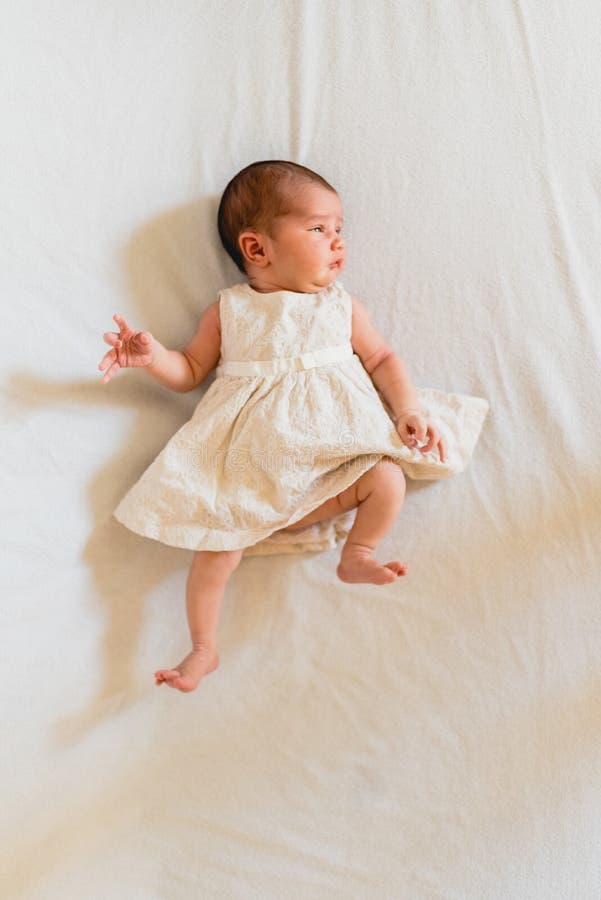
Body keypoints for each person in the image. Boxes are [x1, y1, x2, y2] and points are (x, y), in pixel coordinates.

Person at [98, 160, 448, 694]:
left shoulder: (341, 307)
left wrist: (407, 409)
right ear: (257, 249)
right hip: (248, 482)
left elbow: (381, 359)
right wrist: (150, 357)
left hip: (324, 480)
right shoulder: (230, 312)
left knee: (387, 477)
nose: (337, 242)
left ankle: (358, 553)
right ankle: (203, 646)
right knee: (214, 549)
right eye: (318, 229)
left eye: (339, 230)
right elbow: (190, 370)